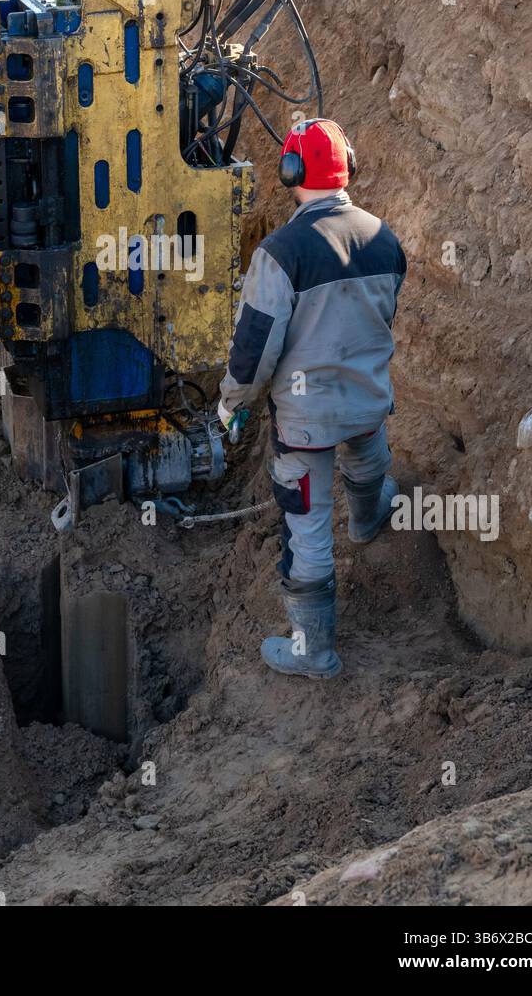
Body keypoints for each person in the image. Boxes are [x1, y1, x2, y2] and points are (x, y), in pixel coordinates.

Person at [218, 119, 406, 680]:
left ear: (291, 173)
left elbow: (254, 353)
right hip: (367, 400)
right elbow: (382, 315)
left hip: (305, 420)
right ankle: (370, 518)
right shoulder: (384, 238)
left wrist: (232, 405)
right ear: (347, 164)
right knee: (368, 454)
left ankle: (314, 650)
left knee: (307, 525)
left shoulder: (280, 254)